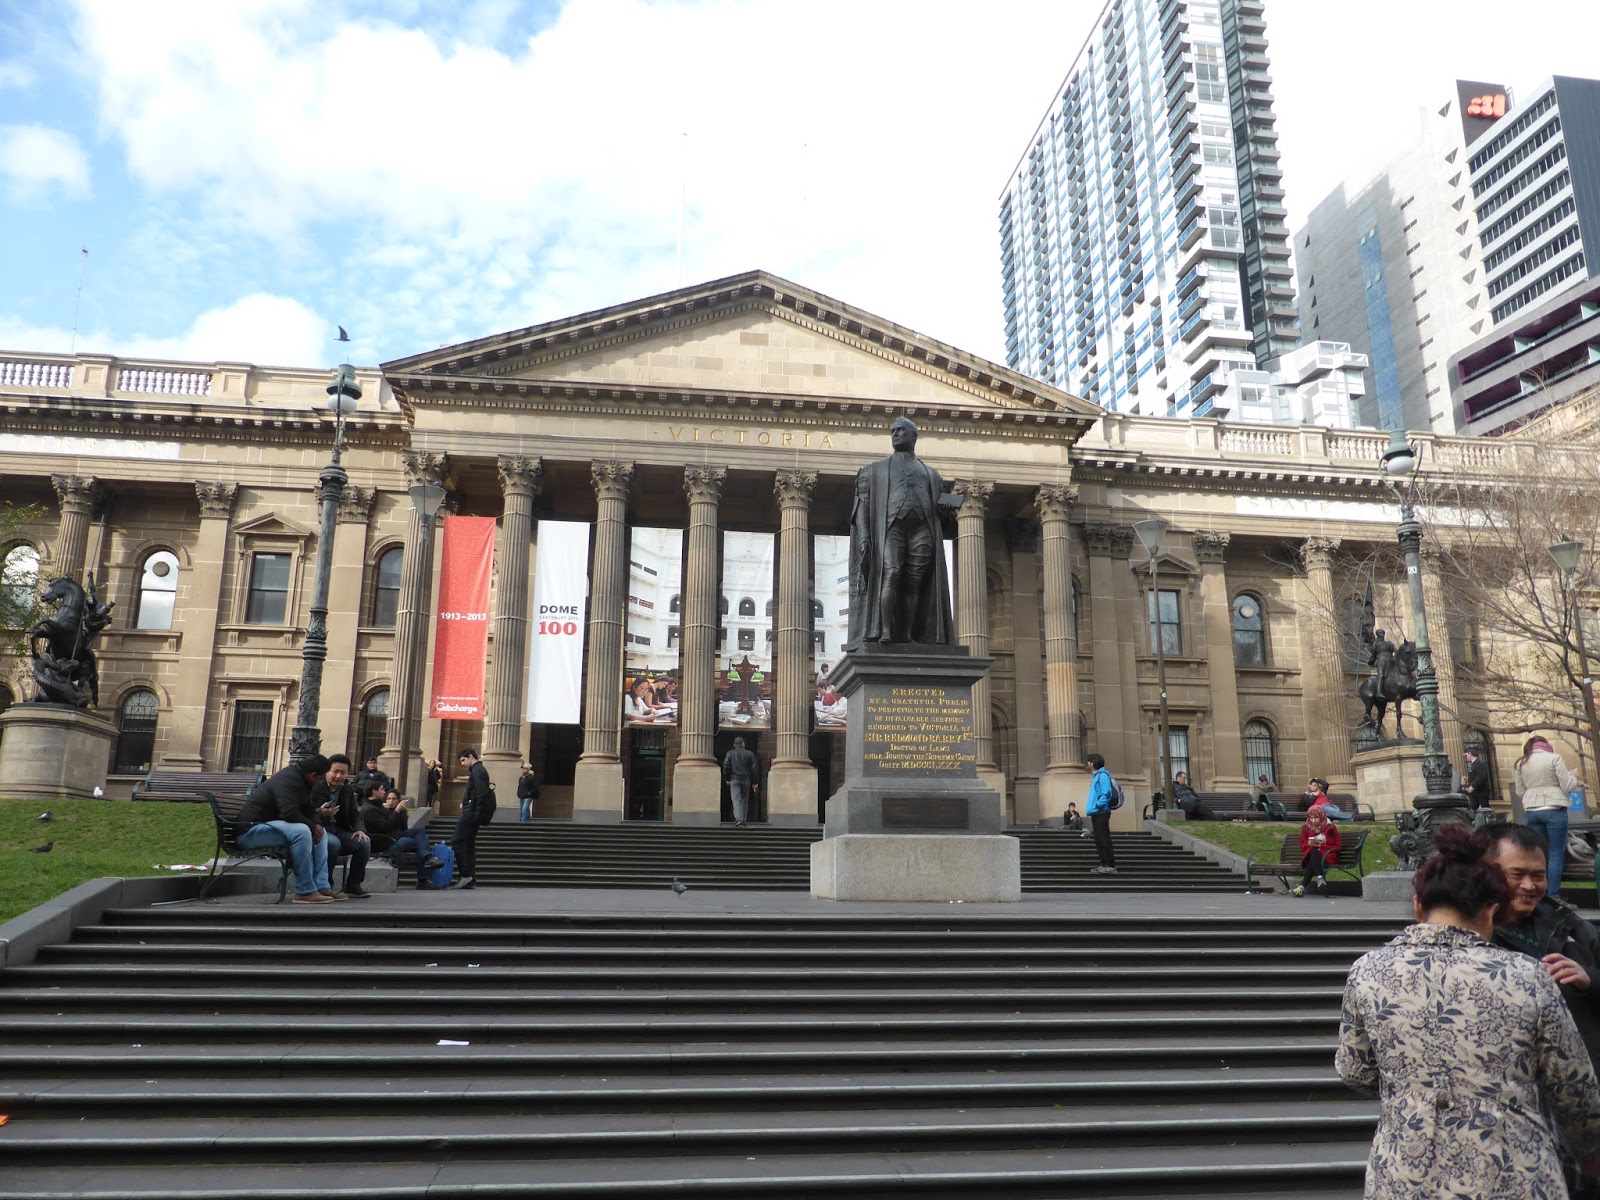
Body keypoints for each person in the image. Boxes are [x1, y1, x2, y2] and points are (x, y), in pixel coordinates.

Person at [1337, 824, 1600, 1198]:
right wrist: (1589, 1149)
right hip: (1512, 1170)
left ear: (1418, 906)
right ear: (1490, 912)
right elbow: (1574, 1088)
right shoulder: (1527, 976)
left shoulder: (1367, 971)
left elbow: (1355, 1072)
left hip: (1407, 1171)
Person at [1486, 822, 1600, 1067]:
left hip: (1584, 1082)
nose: (1529, 886)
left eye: (1538, 875)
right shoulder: (1476, 939)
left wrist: (1590, 981)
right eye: (1516, 874)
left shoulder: (1574, 929)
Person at [846, 415, 958, 648]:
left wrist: (946, 510)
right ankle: (885, 631)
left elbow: (943, 521)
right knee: (892, 572)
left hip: (922, 529)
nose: (895, 434)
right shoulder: (873, 471)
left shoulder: (932, 474)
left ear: (914, 436)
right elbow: (861, 509)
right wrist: (865, 539)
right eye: (893, 431)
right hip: (891, 528)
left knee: (915, 582)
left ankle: (907, 634)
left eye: (901, 430)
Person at [235, 754, 345, 904]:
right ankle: (304, 890)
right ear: (312, 775)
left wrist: (317, 824)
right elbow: (289, 812)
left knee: (322, 833)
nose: (320, 782)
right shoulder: (287, 780)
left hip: (269, 826)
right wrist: (312, 826)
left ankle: (321, 886)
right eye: (320, 778)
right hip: (250, 832)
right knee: (302, 831)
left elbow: (308, 808)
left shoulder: (303, 780)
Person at [1518, 735, 1580, 899]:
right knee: (1555, 853)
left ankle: (1540, 896)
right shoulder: (1554, 758)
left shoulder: (1521, 763)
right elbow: (1567, 786)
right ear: (1545, 745)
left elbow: (1519, 791)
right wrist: (1573, 776)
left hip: (1532, 810)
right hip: (1554, 808)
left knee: (1540, 853)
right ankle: (1553, 895)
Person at [361, 784, 445, 889]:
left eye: (394, 798)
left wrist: (402, 812)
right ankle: (424, 874)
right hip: (385, 841)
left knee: (419, 831)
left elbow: (404, 828)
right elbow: (385, 827)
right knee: (421, 845)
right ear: (374, 791)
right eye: (388, 797)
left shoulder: (381, 808)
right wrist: (396, 811)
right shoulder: (372, 809)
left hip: (396, 836)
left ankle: (427, 863)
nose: (390, 801)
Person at [313, 753, 372, 898]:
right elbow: (305, 811)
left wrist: (359, 829)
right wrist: (321, 813)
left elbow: (354, 814)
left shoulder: (347, 789)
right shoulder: (316, 787)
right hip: (320, 829)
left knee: (363, 843)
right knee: (333, 843)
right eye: (335, 772)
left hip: (339, 829)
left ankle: (353, 885)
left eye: (343, 773)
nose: (338, 776)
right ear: (327, 771)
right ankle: (326, 886)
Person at [453, 747, 494, 889]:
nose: (463, 764)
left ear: (471, 756)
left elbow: (481, 794)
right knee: (468, 843)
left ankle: (465, 875)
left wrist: (475, 813)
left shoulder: (478, 771)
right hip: (472, 810)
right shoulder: (478, 771)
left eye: (463, 760)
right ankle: (470, 878)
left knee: (458, 840)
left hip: (471, 812)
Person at [1292, 805, 1341, 897]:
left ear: (1321, 816)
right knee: (1313, 852)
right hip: (1313, 855)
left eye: (1316, 817)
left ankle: (1302, 887)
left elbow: (1338, 847)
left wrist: (1322, 845)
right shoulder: (1306, 827)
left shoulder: (1330, 827)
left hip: (1328, 855)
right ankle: (1319, 878)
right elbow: (1303, 845)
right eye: (1311, 818)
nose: (1313, 820)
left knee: (1313, 856)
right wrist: (1309, 844)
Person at [1085, 753, 1117, 874]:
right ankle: (1103, 863)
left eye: (1089, 761)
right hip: (1096, 812)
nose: (1087, 764)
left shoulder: (1102, 775)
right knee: (1098, 838)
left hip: (1101, 811)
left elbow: (1106, 793)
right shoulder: (1096, 777)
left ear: (1093, 762)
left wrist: (1098, 805)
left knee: (1103, 838)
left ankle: (1109, 864)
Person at [722, 736, 758, 827]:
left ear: (734, 745)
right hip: (746, 780)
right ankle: (743, 819)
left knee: (736, 799)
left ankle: (739, 819)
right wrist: (754, 782)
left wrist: (727, 778)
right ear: (743, 744)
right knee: (744, 800)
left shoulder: (730, 753)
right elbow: (754, 769)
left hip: (734, 779)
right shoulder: (750, 754)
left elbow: (726, 766)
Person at [1463, 746, 1494, 810]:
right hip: (1475, 792)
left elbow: (1481, 776)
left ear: (1470, 754)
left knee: (1485, 808)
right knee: (1472, 809)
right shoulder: (1474, 764)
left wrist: (1472, 786)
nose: (1466, 757)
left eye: (1467, 755)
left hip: (1481, 791)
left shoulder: (1480, 764)